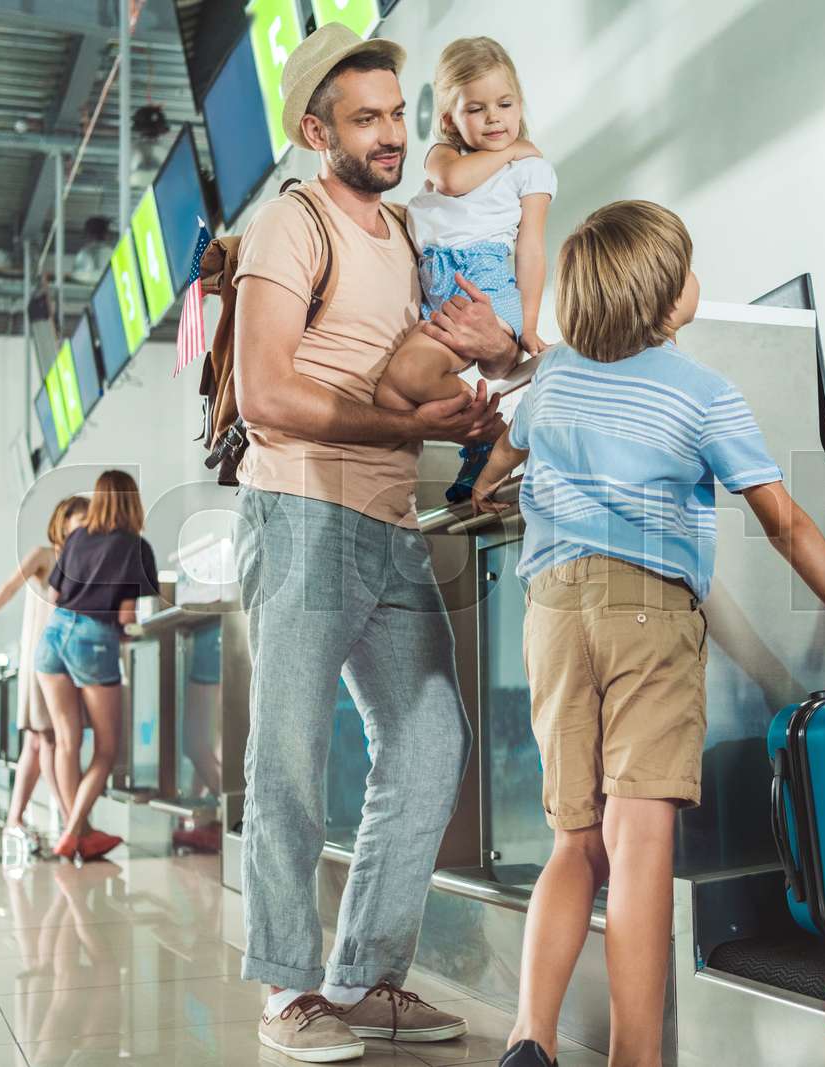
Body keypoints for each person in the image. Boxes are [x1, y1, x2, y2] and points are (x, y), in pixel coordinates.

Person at [470, 200, 825, 1067]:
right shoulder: (703, 393)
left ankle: (530, 1036)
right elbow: (784, 522)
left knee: (574, 838)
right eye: (685, 271)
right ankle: (636, 1059)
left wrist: (503, 487)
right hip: (646, 610)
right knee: (637, 842)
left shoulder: (554, 378)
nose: (695, 282)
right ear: (663, 301)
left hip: (553, 609)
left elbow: (498, 466)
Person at [232, 23, 519, 1064]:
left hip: (391, 520)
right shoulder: (291, 222)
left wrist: (486, 394)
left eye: (399, 112)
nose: (393, 133)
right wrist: (415, 427)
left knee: (430, 733)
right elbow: (267, 394)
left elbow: (433, 372)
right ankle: (285, 987)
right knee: (290, 758)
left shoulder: (407, 234)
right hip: (302, 512)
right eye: (367, 119)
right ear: (317, 130)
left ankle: (363, 976)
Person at [379, 35, 556, 501]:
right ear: (449, 119)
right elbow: (454, 181)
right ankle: (482, 438)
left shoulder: (530, 171)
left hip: (486, 283)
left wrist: (531, 324)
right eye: (476, 109)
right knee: (390, 396)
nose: (495, 118)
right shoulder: (445, 157)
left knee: (414, 377)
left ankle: (489, 436)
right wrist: (512, 150)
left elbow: (531, 248)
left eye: (505, 103)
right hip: (439, 289)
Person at [35, 469, 159, 863]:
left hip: (53, 636)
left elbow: (53, 595)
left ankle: (79, 833)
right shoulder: (136, 547)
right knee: (106, 750)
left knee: (67, 741)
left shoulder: (75, 539)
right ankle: (74, 833)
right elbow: (125, 616)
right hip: (93, 638)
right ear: (131, 501)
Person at [0, 494, 89, 858]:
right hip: (42, 660)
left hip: (64, 661)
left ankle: (17, 820)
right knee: (47, 739)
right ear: (62, 522)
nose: (83, 527)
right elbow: (10, 586)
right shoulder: (43, 555)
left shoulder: (82, 561)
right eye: (77, 520)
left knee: (37, 743)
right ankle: (72, 823)